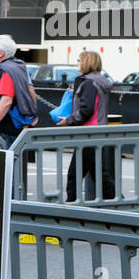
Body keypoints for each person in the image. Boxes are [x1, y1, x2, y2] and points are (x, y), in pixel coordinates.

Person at [59, 50, 116, 202]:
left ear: (86, 62)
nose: (77, 63)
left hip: (87, 134)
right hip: (97, 132)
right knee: (99, 174)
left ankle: (70, 209)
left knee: (74, 176)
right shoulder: (100, 82)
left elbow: (86, 110)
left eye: (79, 60)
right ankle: (116, 201)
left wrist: (69, 121)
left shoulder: (88, 83)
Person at [0, 34, 39, 148]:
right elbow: (30, 89)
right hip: (4, 131)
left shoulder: (6, 71)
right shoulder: (14, 67)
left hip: (3, 133)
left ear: (1, 53)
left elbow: (6, 100)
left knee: (4, 165)